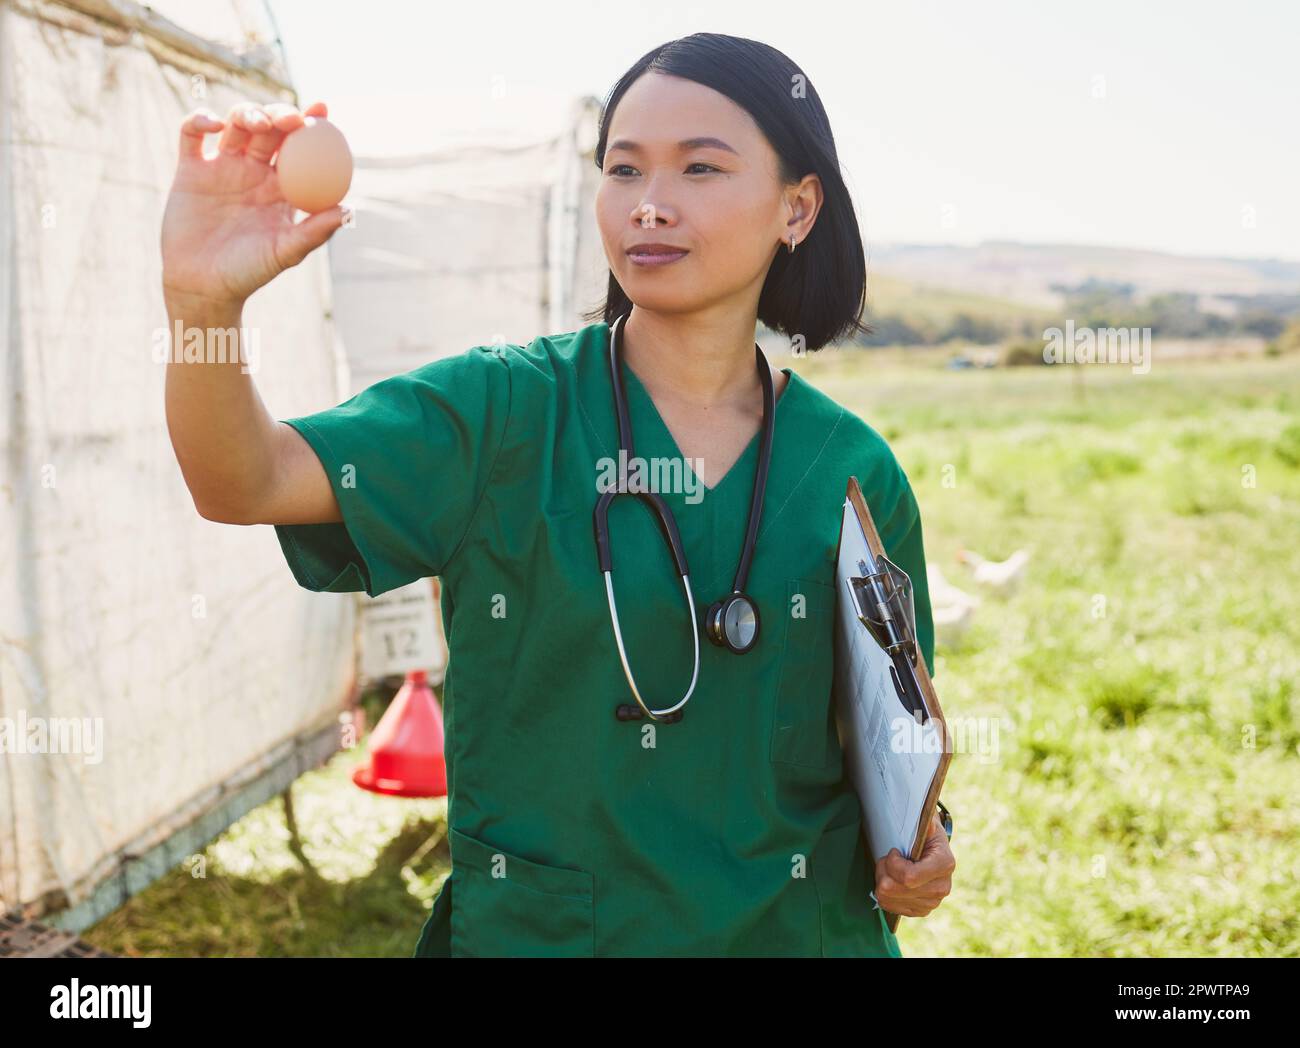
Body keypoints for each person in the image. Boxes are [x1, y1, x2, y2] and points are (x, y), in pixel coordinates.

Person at [160, 31, 955, 958]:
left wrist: (926, 850)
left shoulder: (854, 474)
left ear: (798, 207)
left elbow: (893, 745)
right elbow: (242, 481)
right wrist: (201, 306)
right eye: (623, 170)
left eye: (701, 168)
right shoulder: (503, 414)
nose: (649, 205)